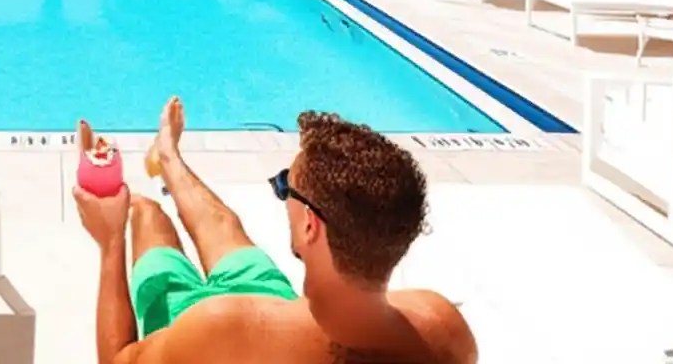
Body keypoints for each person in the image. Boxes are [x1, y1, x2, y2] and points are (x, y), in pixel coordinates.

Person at [73, 96, 477, 364]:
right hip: (274, 303)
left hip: (211, 336)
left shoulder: (223, 326)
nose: (282, 193)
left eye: (286, 184)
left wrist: (110, 241)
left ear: (309, 225)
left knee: (146, 215)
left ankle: (148, 190)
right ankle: (168, 157)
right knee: (226, 227)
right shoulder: (442, 327)